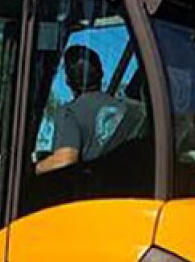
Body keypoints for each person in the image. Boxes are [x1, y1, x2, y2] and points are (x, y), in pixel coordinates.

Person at [35, 45, 137, 174]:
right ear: (101, 73)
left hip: (94, 189)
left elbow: (65, 160)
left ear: (68, 81)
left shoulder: (69, 112)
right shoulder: (129, 110)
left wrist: (37, 167)